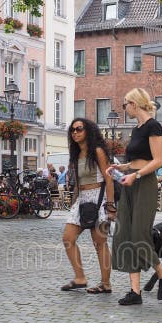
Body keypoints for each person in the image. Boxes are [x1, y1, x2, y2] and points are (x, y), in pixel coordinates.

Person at [106, 88, 162, 305]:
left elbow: (158, 160)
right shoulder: (136, 130)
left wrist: (136, 175)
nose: (124, 108)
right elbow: (136, 160)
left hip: (144, 183)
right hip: (130, 182)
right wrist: (120, 167)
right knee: (124, 234)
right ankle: (135, 292)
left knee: (139, 235)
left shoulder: (153, 126)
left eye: (125, 104)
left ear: (135, 103)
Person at [61, 118, 115, 295]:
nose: (75, 132)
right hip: (82, 199)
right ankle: (80, 278)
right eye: (72, 130)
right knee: (68, 237)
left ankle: (105, 284)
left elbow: (109, 178)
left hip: (99, 198)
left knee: (100, 243)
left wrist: (111, 205)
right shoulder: (76, 154)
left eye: (79, 129)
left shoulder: (97, 151)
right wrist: (73, 202)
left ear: (88, 131)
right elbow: (78, 182)